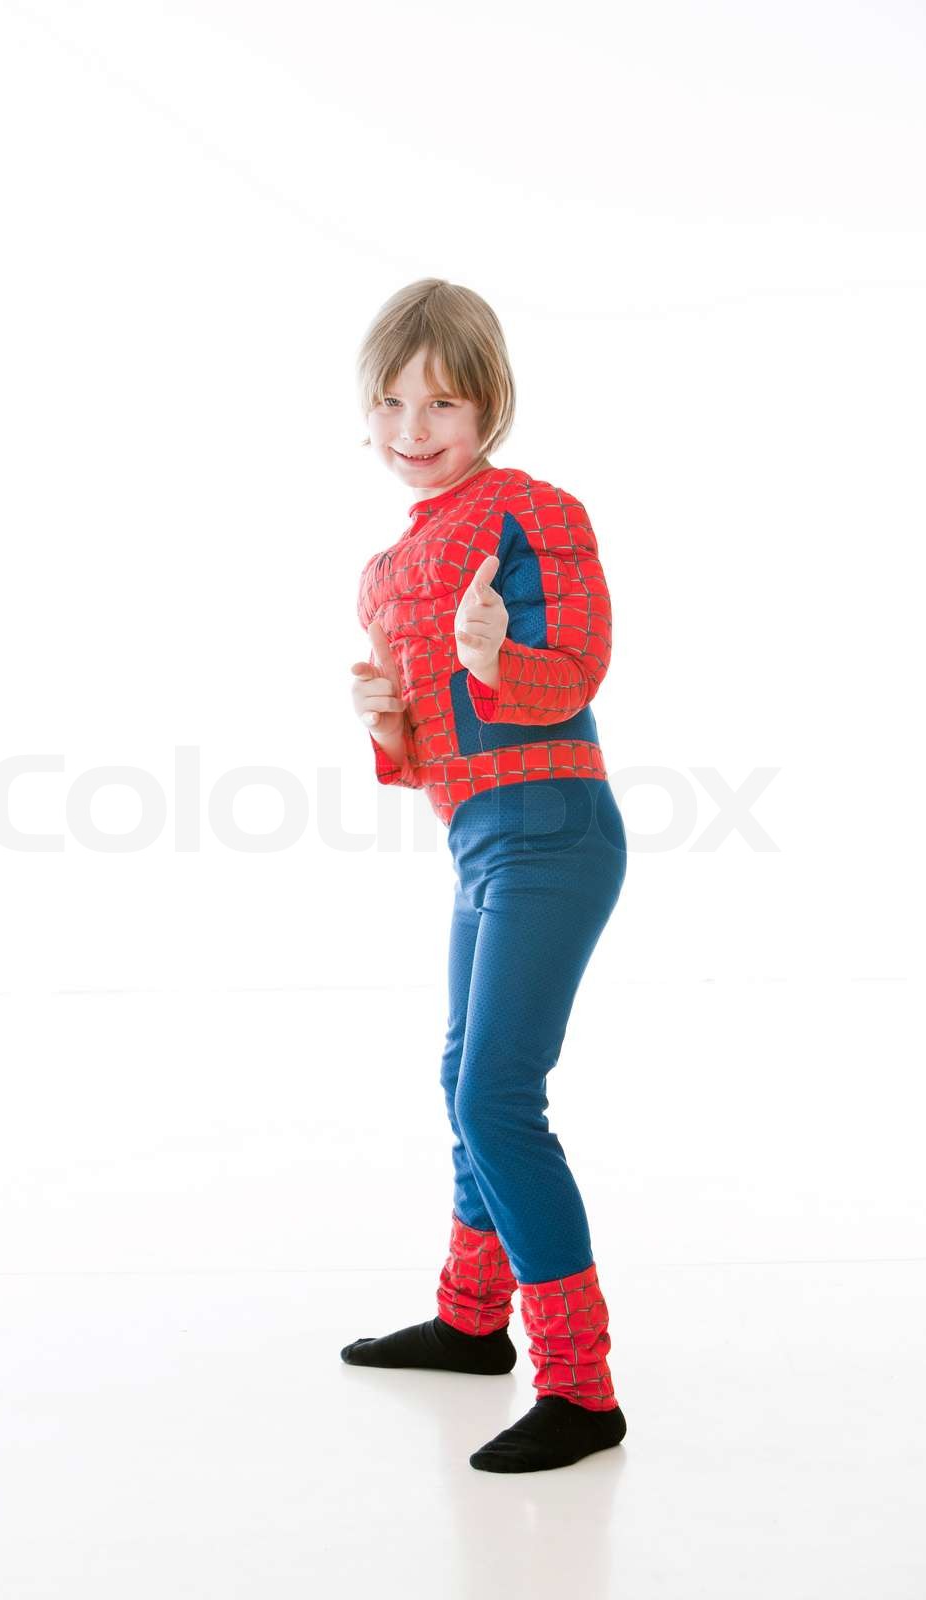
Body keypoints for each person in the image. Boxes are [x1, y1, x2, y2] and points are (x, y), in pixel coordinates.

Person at [343, 278, 630, 1474]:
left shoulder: (532, 512)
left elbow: (572, 670)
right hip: (479, 842)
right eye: (391, 400)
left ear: (488, 406)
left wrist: (488, 654)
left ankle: (581, 1386)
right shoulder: (384, 567)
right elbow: (427, 756)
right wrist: (387, 718)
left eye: (443, 401)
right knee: (465, 1072)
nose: (414, 426)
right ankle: (472, 1323)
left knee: (495, 1096)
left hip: (555, 831)